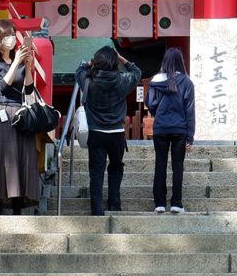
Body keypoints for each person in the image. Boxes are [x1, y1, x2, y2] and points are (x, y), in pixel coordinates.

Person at [0, 20, 41, 215]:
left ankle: (18, 208)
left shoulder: (19, 59)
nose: (10, 39)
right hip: (2, 113)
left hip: (21, 113)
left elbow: (29, 89)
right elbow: (2, 86)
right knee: (3, 159)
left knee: (24, 157)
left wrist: (28, 66)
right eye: (6, 36)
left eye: (12, 35)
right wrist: (15, 63)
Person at [77, 45, 141, 216]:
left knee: (96, 173)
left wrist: (89, 62)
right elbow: (137, 72)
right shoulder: (122, 79)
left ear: (96, 61)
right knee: (116, 168)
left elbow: (79, 71)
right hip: (116, 133)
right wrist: (122, 58)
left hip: (96, 132)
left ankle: (96, 210)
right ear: (114, 61)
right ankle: (114, 204)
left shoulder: (88, 80)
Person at [145, 47, 195, 214]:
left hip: (160, 128)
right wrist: (190, 137)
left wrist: (157, 112)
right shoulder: (186, 82)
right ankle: (176, 203)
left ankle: (159, 203)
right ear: (181, 61)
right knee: (177, 166)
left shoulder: (155, 81)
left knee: (160, 164)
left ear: (164, 61)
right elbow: (190, 110)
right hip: (179, 128)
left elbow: (150, 103)